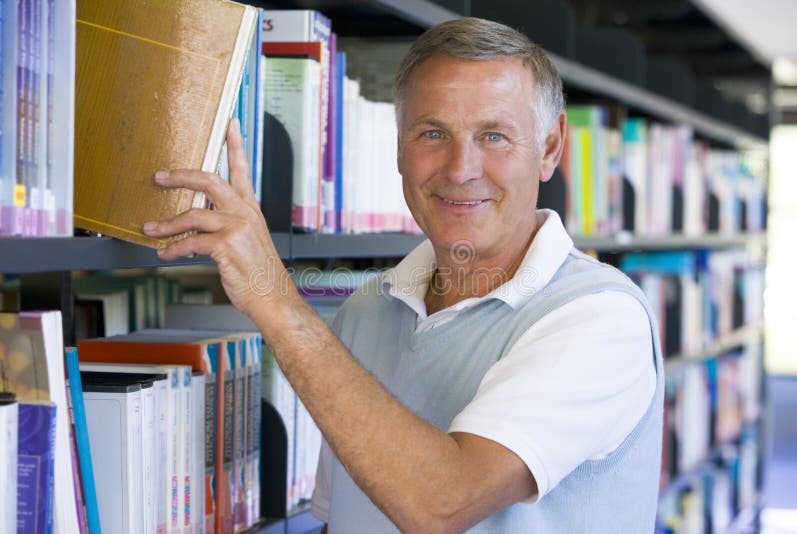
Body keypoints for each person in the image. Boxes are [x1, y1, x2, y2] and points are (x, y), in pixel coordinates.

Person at [144, 17, 664, 533]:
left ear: (550, 148)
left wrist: (273, 295)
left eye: (494, 136)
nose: (461, 168)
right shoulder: (366, 311)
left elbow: (441, 504)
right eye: (432, 133)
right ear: (398, 149)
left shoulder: (600, 319)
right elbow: (350, 518)